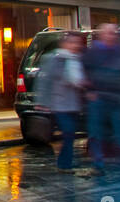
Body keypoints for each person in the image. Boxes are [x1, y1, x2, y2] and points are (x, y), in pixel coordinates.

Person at [82, 23, 120, 177]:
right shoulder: (93, 52)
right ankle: (98, 165)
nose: (112, 35)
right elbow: (85, 71)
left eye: (114, 33)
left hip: (117, 98)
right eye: (109, 33)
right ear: (102, 34)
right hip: (99, 98)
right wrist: (90, 90)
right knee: (96, 133)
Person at [36, 31, 87, 173]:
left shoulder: (78, 60)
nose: (75, 46)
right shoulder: (53, 59)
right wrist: (42, 101)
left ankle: (66, 163)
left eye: (77, 43)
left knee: (70, 134)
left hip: (74, 104)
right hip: (59, 103)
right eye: (71, 42)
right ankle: (64, 164)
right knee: (68, 132)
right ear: (64, 44)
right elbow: (44, 81)